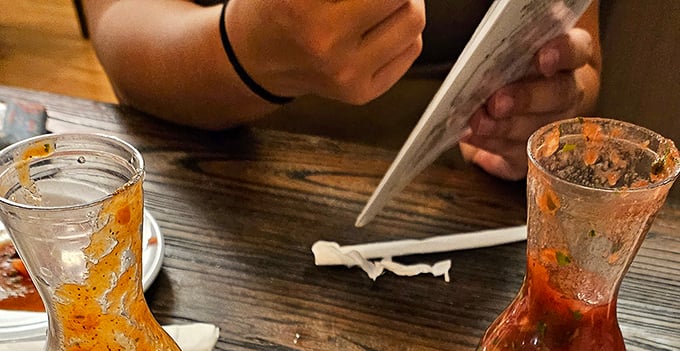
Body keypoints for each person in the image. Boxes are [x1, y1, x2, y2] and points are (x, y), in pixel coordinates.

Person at [82, 0, 601, 180]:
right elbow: (118, 25)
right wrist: (245, 51)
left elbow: (583, 56)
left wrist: (542, 110)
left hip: (467, 211)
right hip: (216, 183)